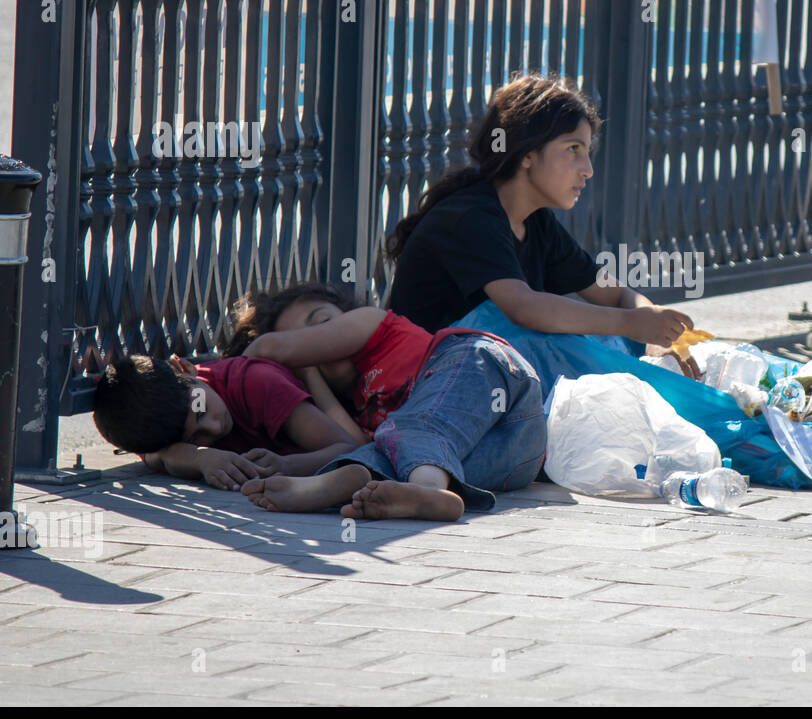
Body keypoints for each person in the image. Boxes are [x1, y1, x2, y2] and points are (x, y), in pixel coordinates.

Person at [384, 73, 694, 351]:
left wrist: (654, 327)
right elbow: (525, 308)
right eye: (573, 149)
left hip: (480, 380)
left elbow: (615, 294)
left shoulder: (537, 223)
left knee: (600, 338)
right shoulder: (470, 217)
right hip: (420, 384)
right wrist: (631, 324)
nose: (587, 170)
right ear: (527, 154)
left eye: (588, 152)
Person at [236, 293, 547, 522]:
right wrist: (309, 373)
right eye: (302, 347)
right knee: (383, 448)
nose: (311, 344)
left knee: (410, 426)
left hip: (488, 373)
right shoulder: (357, 405)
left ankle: (427, 491)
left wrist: (220, 374)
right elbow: (350, 442)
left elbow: (270, 349)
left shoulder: (374, 325)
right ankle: (349, 479)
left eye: (320, 324)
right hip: (507, 463)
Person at [92, 352, 362, 491]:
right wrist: (200, 458)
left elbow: (349, 448)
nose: (214, 427)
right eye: (196, 437)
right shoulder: (155, 422)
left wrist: (287, 465)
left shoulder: (256, 385)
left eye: (201, 411)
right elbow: (156, 455)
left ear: (183, 369)